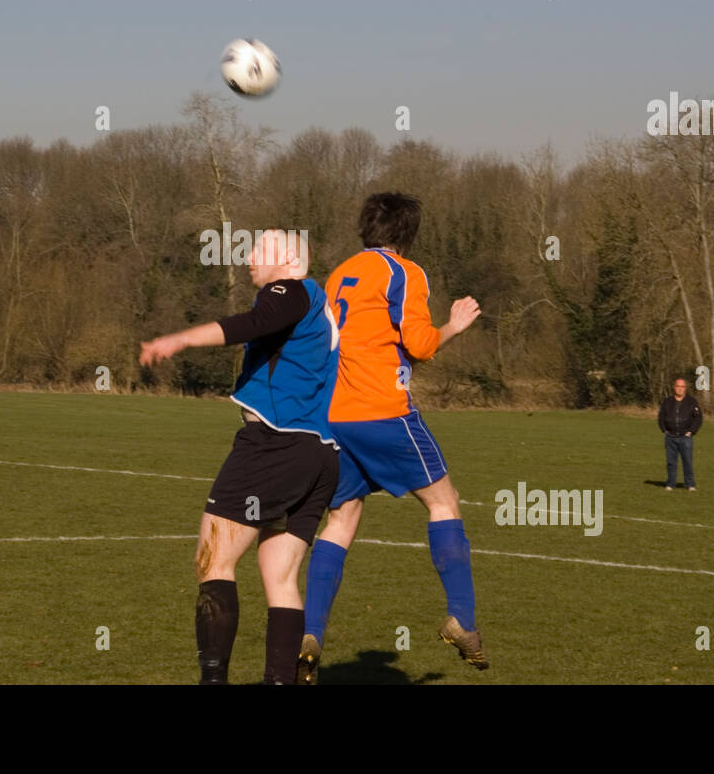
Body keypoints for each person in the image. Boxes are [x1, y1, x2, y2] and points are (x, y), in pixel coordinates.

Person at [298, 192, 486, 684]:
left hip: (334, 414)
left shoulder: (339, 273)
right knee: (444, 501)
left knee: (341, 518)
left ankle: (310, 633)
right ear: (408, 234)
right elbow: (420, 344)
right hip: (382, 410)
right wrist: (453, 327)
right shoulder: (404, 272)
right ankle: (462, 619)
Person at [139, 229, 339, 684]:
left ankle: (213, 680)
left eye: (261, 249)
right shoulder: (319, 304)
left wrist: (182, 340)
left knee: (214, 562)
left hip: (274, 444)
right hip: (319, 455)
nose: (249, 256)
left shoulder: (288, 290)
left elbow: (251, 324)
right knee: (281, 580)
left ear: (290, 260)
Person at [658, 377, 703, 491]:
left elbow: (698, 418)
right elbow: (661, 417)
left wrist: (691, 431)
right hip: (670, 437)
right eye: (678, 386)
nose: (680, 389)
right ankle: (670, 484)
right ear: (674, 387)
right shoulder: (667, 401)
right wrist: (664, 430)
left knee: (687, 462)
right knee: (671, 463)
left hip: (685, 437)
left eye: (682, 387)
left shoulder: (692, 402)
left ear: (685, 389)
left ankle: (690, 485)